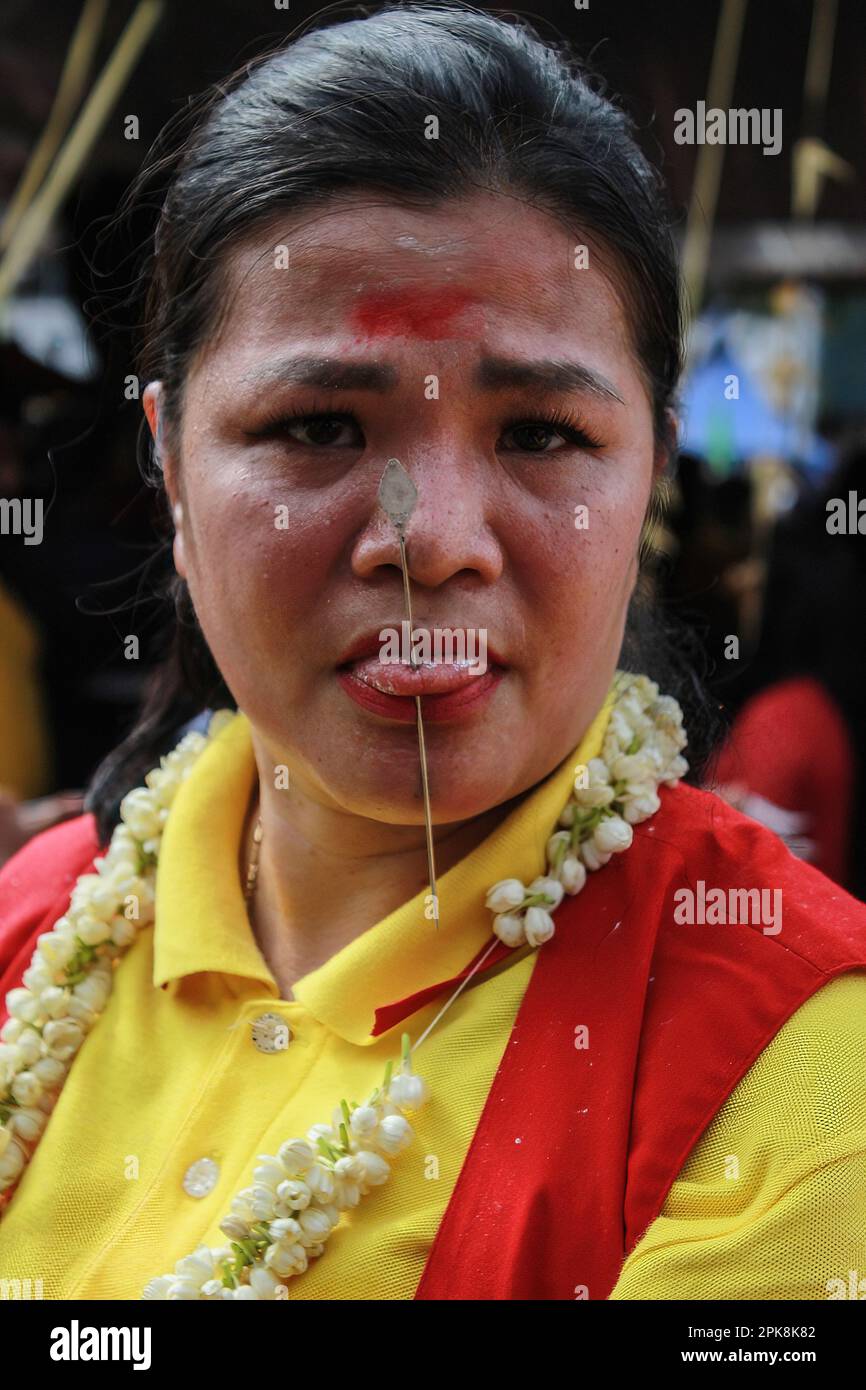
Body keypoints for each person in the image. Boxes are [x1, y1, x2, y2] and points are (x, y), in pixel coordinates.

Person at [1, 5, 864, 1302]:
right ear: (170, 464)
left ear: (652, 472)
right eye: (319, 427)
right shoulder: (34, 932)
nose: (434, 540)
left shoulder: (796, 1052)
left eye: (540, 436)